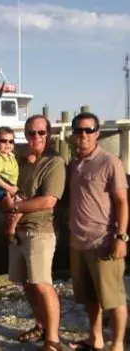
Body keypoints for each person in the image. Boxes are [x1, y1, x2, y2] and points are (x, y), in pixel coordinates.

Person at [2, 115, 66, 351]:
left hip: (39, 231)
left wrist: (15, 207)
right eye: (31, 133)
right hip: (18, 231)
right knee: (26, 283)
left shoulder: (55, 162)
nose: (35, 137)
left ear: (48, 134)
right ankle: (40, 325)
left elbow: (48, 200)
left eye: (41, 132)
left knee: (41, 283)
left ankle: (53, 340)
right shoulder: (21, 161)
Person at [67, 112, 128, 351]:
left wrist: (121, 237)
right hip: (77, 243)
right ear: (73, 134)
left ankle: (118, 344)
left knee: (114, 298)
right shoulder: (73, 165)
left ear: (97, 133)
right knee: (89, 297)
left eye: (88, 130)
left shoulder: (110, 161)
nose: (83, 135)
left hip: (103, 241)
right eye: (79, 130)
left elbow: (122, 202)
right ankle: (95, 338)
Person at [0, 126, 23, 243]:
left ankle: (12, 226)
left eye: (11, 141)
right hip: (2, 190)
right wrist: (9, 188)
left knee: (21, 205)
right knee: (14, 205)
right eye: (3, 141)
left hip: (12, 188)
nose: (7, 144)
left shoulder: (11, 156)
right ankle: (11, 230)